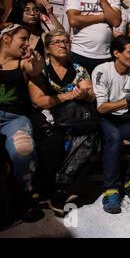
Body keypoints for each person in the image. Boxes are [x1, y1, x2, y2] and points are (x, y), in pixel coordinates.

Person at [28, 29, 95, 216]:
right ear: (48, 48)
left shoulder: (79, 69)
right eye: (56, 42)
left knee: (87, 135)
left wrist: (84, 93)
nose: (62, 45)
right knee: (53, 140)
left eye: (65, 41)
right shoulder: (41, 69)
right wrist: (67, 95)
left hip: (72, 115)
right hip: (47, 115)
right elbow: (38, 101)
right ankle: (48, 188)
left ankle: (66, 188)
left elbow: (91, 96)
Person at [92, 36, 130, 214]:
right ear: (116, 53)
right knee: (114, 137)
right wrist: (129, 100)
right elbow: (102, 108)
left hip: (125, 117)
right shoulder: (102, 71)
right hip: (105, 118)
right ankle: (110, 189)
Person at [0, 23, 44, 221]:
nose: (27, 44)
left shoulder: (23, 63)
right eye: (23, 39)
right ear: (6, 38)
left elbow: (35, 70)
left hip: (15, 118)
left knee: (24, 149)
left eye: (28, 39)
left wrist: (35, 60)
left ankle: (23, 195)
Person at [65, 0, 122, 75]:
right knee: (79, 90)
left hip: (104, 56)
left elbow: (116, 21)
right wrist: (103, 16)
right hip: (79, 53)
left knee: (99, 92)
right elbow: (74, 20)